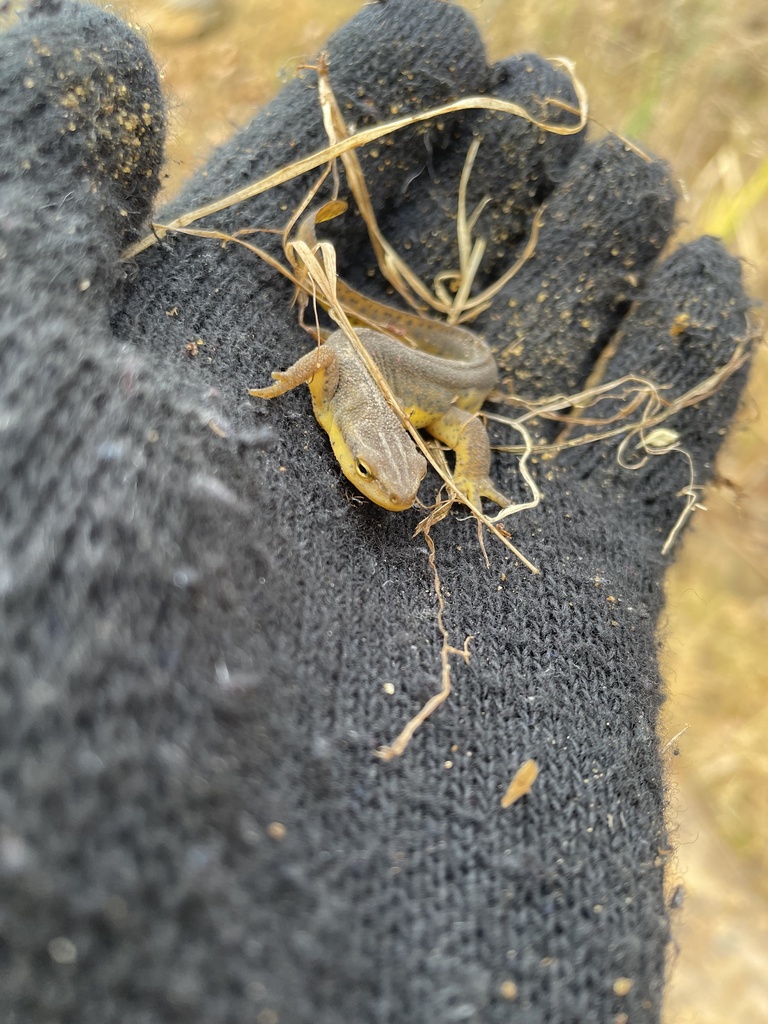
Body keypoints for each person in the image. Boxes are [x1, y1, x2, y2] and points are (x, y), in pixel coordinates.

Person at [0, 1, 752, 1021]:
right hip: (376, 366)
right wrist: (267, 391)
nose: (394, 503)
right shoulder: (332, 397)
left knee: (467, 385)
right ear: (354, 444)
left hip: (443, 379)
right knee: (380, 361)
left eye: (398, 483)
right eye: (379, 475)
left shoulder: (412, 431)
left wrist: (465, 477)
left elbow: (432, 430)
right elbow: (321, 362)